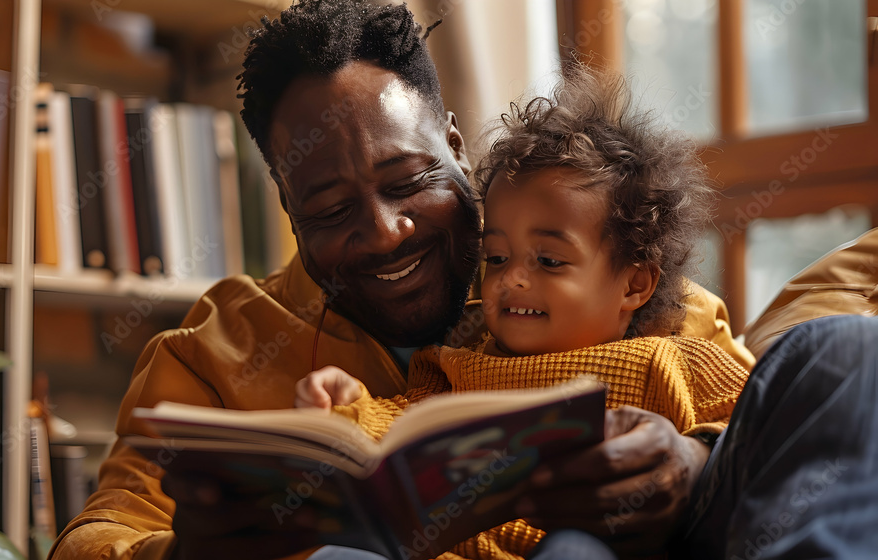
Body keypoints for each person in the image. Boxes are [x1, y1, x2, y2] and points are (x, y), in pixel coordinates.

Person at [47, 2, 754, 559]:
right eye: (330, 208)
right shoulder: (212, 352)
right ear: (288, 206)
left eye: (411, 182)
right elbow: (91, 540)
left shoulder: (590, 285)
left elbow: (758, 413)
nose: (386, 232)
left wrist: (696, 462)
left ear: (453, 146)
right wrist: (179, 556)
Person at [294, 65, 752, 559]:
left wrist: (698, 454)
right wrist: (349, 408)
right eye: (496, 258)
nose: (511, 278)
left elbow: (758, 430)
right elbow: (400, 438)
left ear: (635, 283)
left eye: (549, 261)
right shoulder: (458, 366)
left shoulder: (676, 361)